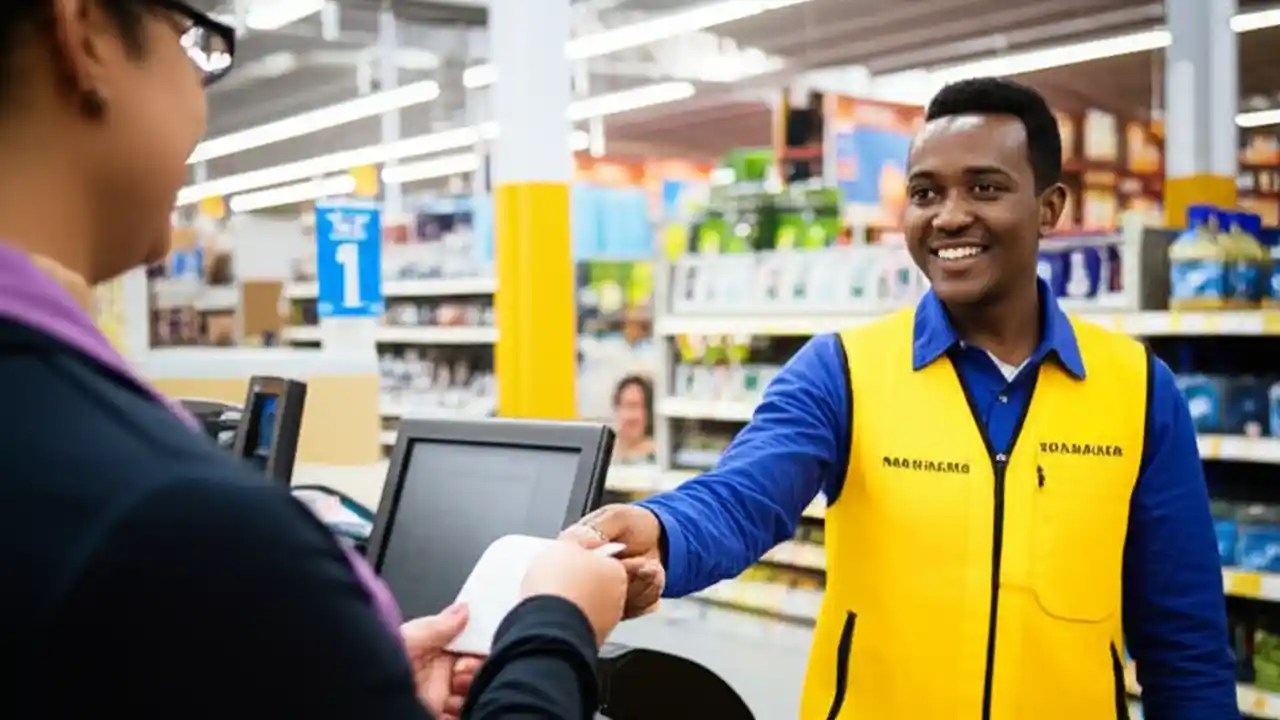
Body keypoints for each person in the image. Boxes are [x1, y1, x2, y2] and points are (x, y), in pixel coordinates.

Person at [0, 2, 625, 718]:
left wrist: (351, 672)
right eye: (193, 42)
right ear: (84, 36)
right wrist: (554, 622)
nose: (202, 98)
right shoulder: (173, 522)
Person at [561, 78, 1240, 718]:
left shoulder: (1138, 390)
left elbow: (1184, 639)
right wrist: (660, 530)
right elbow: (743, 499)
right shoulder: (841, 371)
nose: (949, 216)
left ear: (1049, 208)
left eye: (984, 187)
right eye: (925, 193)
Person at [611, 374, 655, 464]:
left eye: (636, 407)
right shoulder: (603, 455)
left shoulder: (660, 459)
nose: (631, 416)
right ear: (617, 409)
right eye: (628, 406)